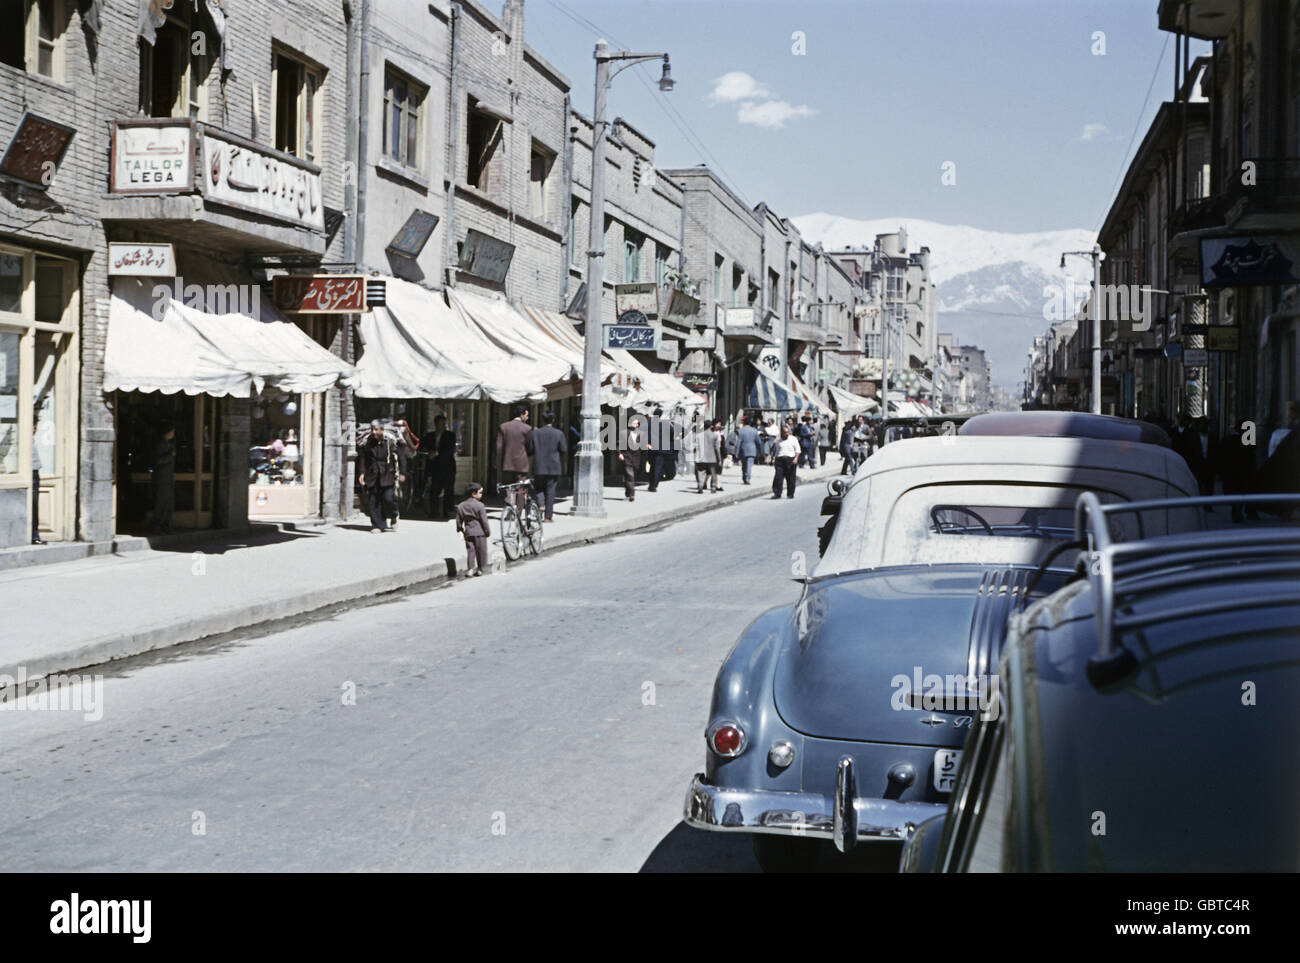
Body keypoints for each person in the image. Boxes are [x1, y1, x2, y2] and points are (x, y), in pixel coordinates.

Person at [358, 420, 407, 533]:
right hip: (373, 474)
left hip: (388, 474)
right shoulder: (368, 442)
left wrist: (403, 473)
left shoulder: (391, 441)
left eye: (376, 430)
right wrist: (362, 473)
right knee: (374, 500)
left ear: (382, 430)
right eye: (372, 430)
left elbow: (401, 457)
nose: (373, 432)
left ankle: (394, 514)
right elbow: (363, 458)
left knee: (388, 498)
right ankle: (377, 525)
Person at [527, 410, 567, 521]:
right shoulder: (559, 433)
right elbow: (563, 449)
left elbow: (530, 450)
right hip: (554, 467)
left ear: (542, 420)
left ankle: (541, 504)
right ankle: (548, 517)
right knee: (550, 491)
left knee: (538, 488)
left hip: (539, 466)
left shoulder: (535, 433)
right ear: (553, 420)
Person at [425, 414, 458, 520]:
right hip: (435, 467)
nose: (443, 425)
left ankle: (447, 512)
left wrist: (437, 453)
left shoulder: (450, 435)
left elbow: (450, 449)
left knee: (448, 490)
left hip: (448, 467)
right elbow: (425, 446)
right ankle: (434, 512)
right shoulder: (430, 436)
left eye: (444, 423)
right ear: (436, 424)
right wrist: (429, 453)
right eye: (440, 423)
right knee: (434, 490)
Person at [455, 482, 490, 577]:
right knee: (481, 551)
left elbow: (459, 521)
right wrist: (487, 532)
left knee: (471, 550)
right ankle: (480, 569)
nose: (482, 494)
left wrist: (460, 530)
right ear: (474, 494)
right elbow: (484, 521)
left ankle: (470, 569)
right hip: (480, 532)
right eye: (480, 492)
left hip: (468, 532)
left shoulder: (461, 506)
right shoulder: (480, 505)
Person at [496, 406, 532, 484]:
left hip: (507, 464)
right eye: (526, 415)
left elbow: (499, 448)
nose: (527, 418)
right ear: (521, 415)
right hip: (521, 464)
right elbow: (529, 447)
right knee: (520, 488)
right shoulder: (527, 428)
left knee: (507, 487)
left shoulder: (503, 427)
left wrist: (498, 463)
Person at [152, 421, 176, 534]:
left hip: (167, 478)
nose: (173, 433)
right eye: (172, 431)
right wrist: (170, 454)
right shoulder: (161, 444)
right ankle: (158, 525)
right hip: (162, 478)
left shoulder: (168, 443)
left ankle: (166, 525)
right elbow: (158, 460)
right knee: (161, 503)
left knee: (168, 503)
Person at [693, 414, 723, 493]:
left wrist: (695, 457)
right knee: (713, 472)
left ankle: (700, 486)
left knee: (701, 472)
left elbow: (696, 447)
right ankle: (713, 487)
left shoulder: (699, 435)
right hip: (712, 457)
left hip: (701, 457)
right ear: (711, 426)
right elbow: (717, 448)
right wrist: (719, 458)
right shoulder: (714, 435)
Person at [619, 415, 646, 501]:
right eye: (632, 423)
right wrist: (619, 453)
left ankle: (628, 493)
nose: (634, 425)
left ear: (638, 425)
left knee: (630, 477)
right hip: (626, 456)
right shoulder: (624, 433)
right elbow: (618, 444)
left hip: (636, 458)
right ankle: (632, 495)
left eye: (636, 423)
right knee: (630, 476)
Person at [771, 424, 800, 499]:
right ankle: (777, 493)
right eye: (785, 432)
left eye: (788, 432)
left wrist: (796, 458)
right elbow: (776, 451)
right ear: (781, 433)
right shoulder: (779, 441)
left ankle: (790, 494)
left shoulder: (793, 439)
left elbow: (798, 450)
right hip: (780, 460)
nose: (787, 434)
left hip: (790, 460)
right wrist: (774, 459)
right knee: (778, 477)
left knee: (790, 478)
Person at [647, 408, 673, 492]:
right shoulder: (665, 423)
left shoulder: (648, 423)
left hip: (651, 448)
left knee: (652, 466)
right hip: (661, 449)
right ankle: (654, 485)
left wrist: (647, 443)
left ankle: (651, 484)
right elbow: (673, 433)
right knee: (658, 467)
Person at [732, 415, 761, 485]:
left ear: (744, 423)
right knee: (749, 465)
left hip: (743, 450)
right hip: (752, 450)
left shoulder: (741, 431)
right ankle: (747, 478)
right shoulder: (754, 431)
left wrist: (736, 452)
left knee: (744, 465)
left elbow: (739, 442)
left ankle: (745, 477)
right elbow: (758, 442)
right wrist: (759, 450)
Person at [31, 421, 44, 545]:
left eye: (36, 426)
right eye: (33, 426)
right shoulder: (25, 439)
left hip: (35, 472)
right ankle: (34, 535)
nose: (35, 429)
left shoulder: (32, 440)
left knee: (34, 505)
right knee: (33, 505)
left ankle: (35, 534)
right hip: (30, 473)